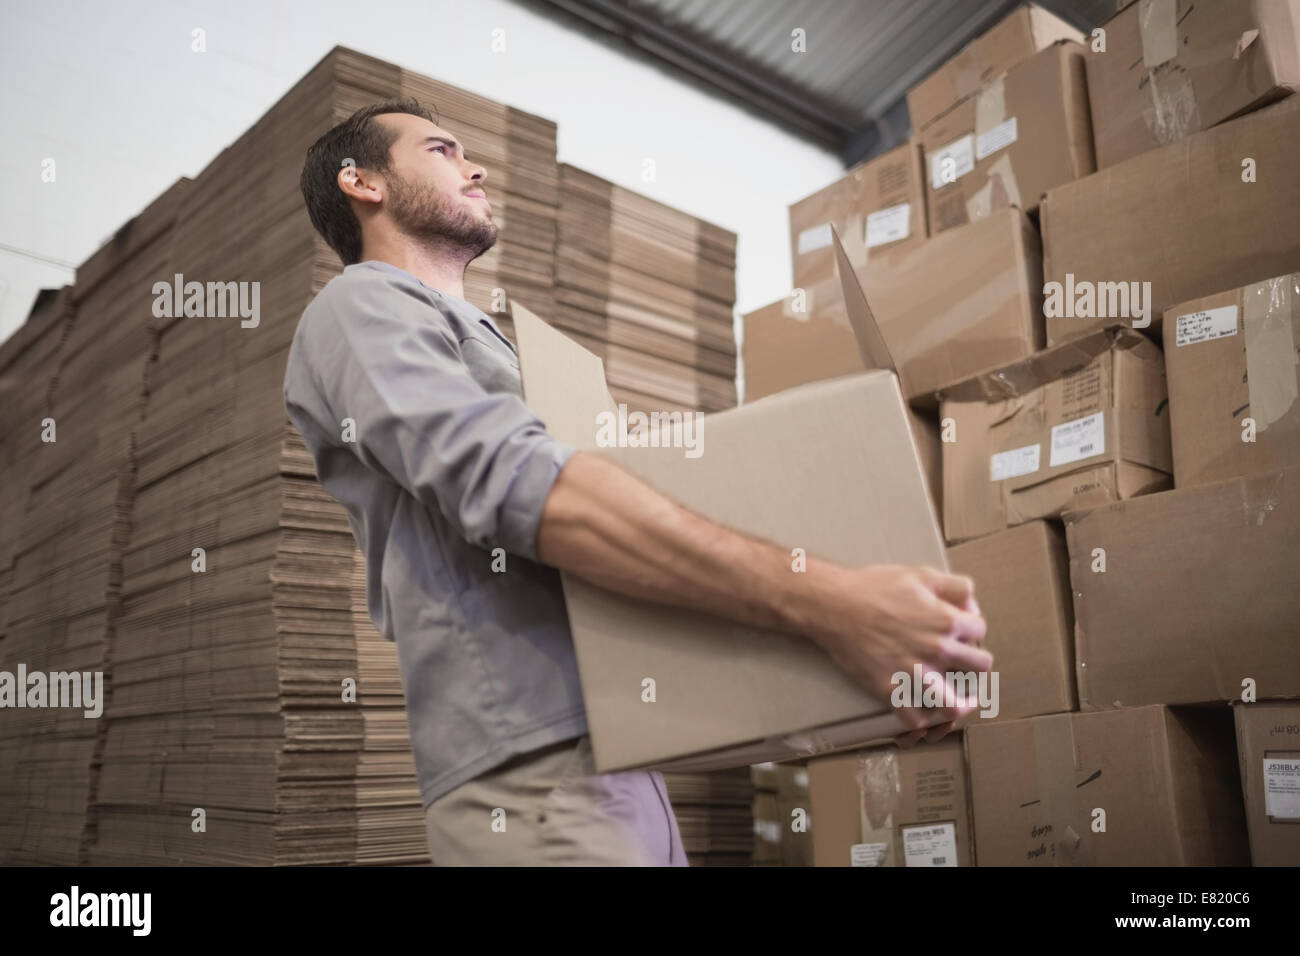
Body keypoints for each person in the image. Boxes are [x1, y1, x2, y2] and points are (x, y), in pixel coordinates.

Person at [284, 98, 990, 866]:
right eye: (442, 149)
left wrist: (855, 686)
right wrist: (832, 606)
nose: (475, 165)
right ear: (363, 183)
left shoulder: (483, 343)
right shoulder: (358, 305)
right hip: (535, 781)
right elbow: (513, 484)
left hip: (615, 762)